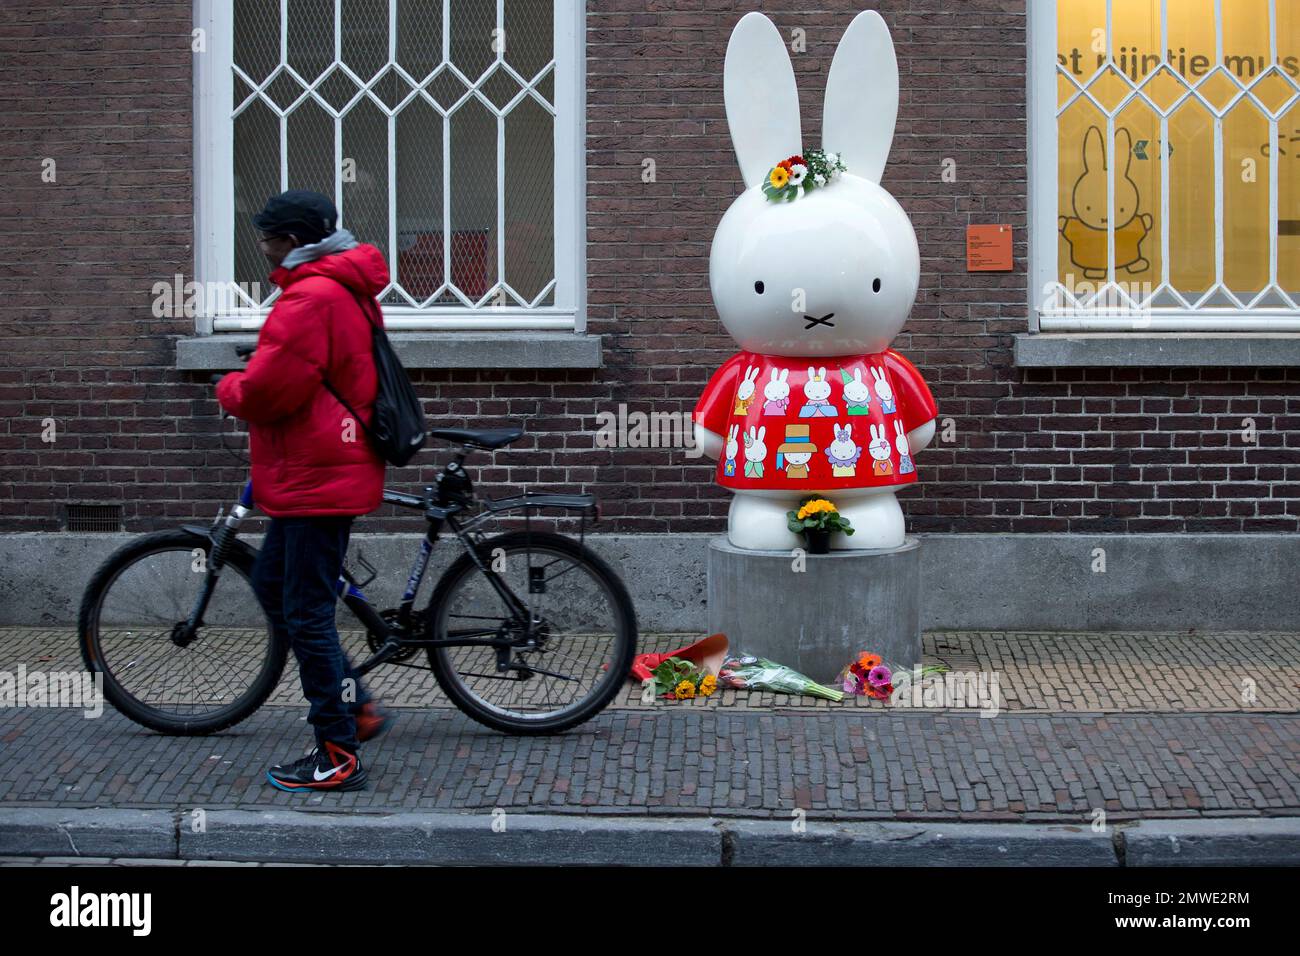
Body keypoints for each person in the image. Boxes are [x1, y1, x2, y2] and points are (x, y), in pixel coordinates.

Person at [216, 189, 392, 792]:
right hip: (318, 472)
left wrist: (230, 386)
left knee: (307, 614)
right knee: (274, 585)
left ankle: (336, 752)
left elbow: (271, 391)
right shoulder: (339, 287)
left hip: (316, 477)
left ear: (291, 240)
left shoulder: (310, 296)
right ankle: (357, 708)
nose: (261, 246)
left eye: (265, 237)